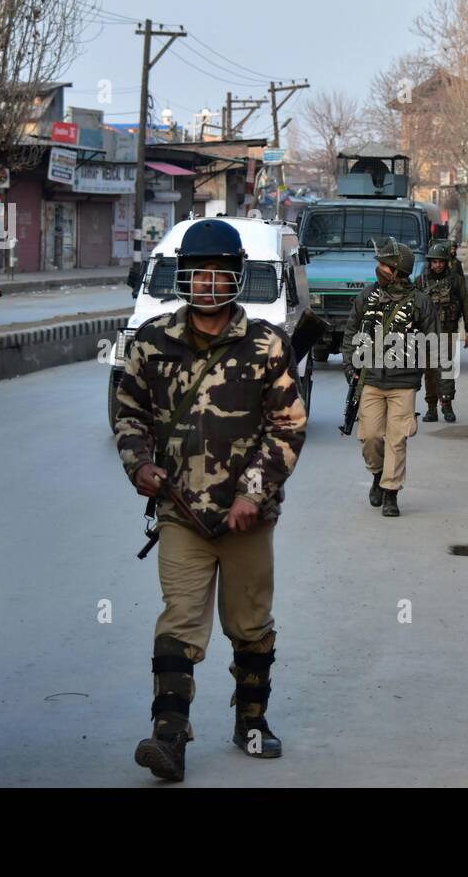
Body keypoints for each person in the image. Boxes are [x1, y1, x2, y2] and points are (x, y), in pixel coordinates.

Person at [114, 218, 307, 781]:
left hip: (247, 518)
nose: (208, 285)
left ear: (236, 278)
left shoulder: (268, 344)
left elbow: (288, 426)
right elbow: (129, 414)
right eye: (199, 274)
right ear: (184, 278)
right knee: (178, 621)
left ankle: (252, 721)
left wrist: (252, 493)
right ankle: (169, 737)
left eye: (220, 274)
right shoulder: (151, 342)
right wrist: (139, 465)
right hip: (180, 512)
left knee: (249, 625)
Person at [342, 237, 438, 517]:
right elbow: (350, 334)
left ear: (396, 270)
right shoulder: (366, 297)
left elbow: (432, 342)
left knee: (397, 439)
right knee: (371, 437)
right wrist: (350, 366)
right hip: (370, 380)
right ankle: (377, 474)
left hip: (404, 383)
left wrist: (429, 381)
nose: (379, 268)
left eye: (384, 264)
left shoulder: (420, 303)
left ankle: (391, 493)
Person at [417, 242, 468, 422]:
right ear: (430, 262)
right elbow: (413, 307)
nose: (438, 265)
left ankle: (447, 406)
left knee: (446, 370)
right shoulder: (420, 281)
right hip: (426, 335)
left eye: (441, 262)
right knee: (430, 373)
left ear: (446, 262)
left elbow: (466, 304)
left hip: (448, 332)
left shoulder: (455, 280)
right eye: (434, 262)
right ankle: (431, 408)